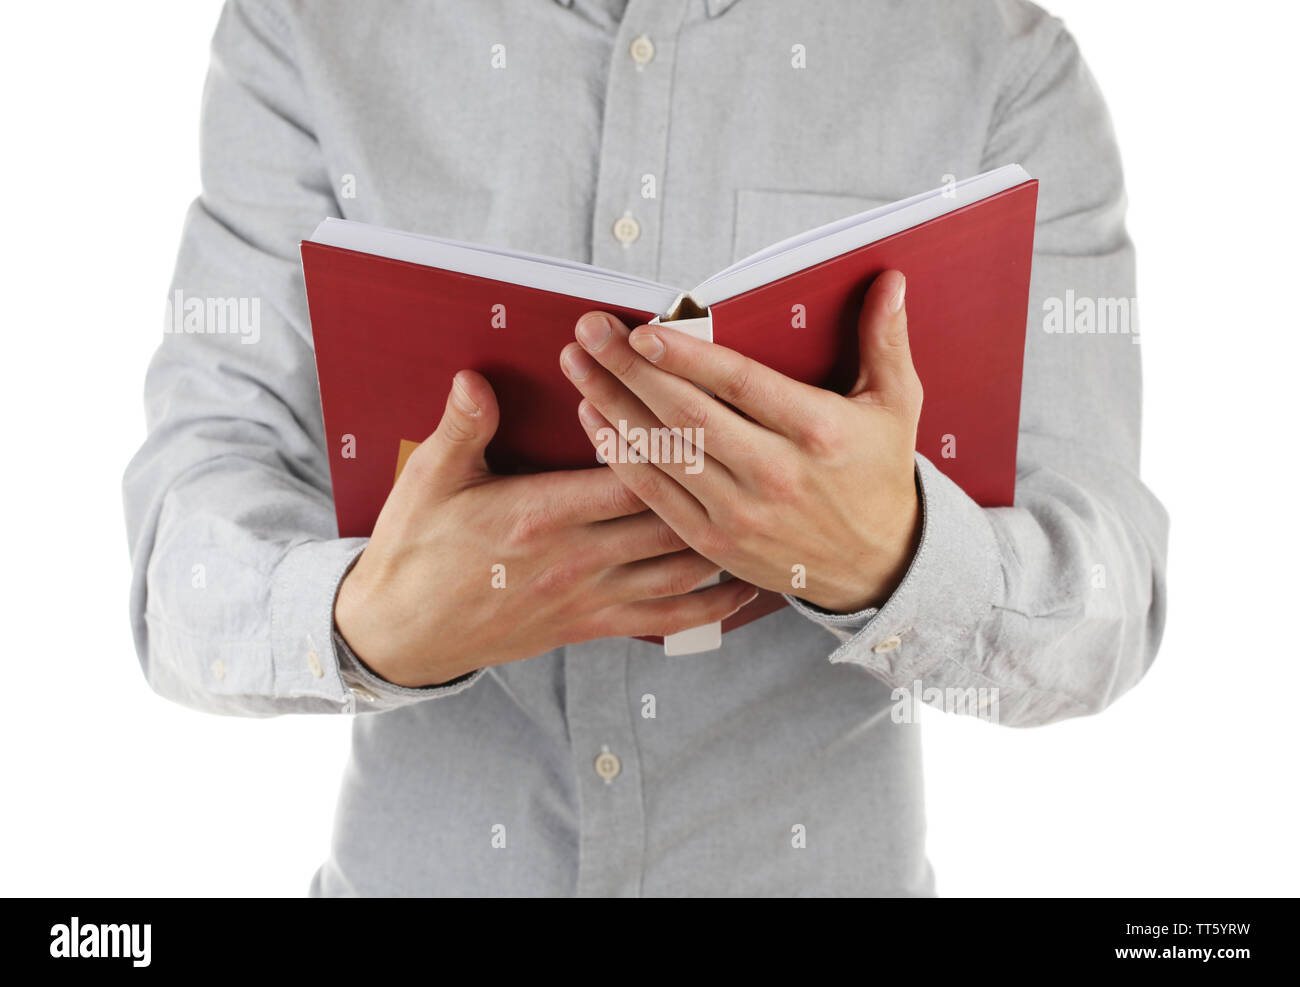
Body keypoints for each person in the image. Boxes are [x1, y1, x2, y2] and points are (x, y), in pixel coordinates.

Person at [123, 0, 1169, 896]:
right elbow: (183, 560)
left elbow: (1110, 604)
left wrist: (893, 555)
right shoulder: (310, 25)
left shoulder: (991, 50)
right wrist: (367, 619)